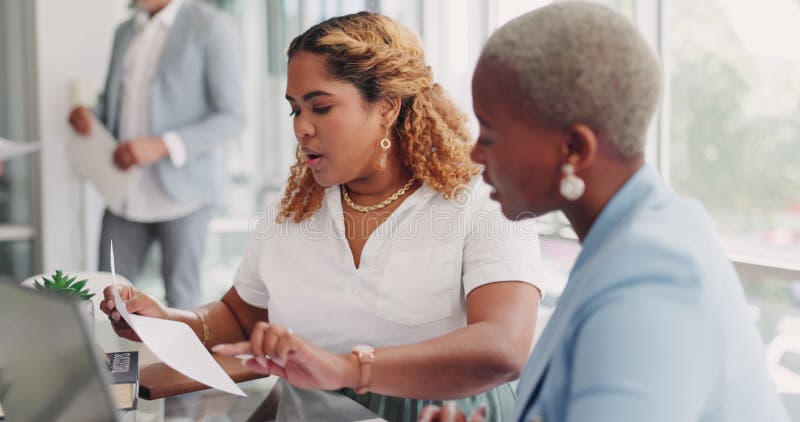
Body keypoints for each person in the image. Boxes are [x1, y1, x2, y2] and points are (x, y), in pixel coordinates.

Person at [101, 11, 544, 422]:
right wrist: (168, 321)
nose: (300, 126)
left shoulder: (483, 201)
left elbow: (503, 348)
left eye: (321, 107)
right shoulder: (291, 211)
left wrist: (345, 369)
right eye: (295, 108)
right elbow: (239, 317)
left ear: (387, 106)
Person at [420, 3, 789, 422]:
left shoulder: (654, 279)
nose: (475, 154)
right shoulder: (637, 237)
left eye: (489, 133)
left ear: (574, 150)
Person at [68, 0, 245, 309]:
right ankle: (113, 360)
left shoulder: (211, 26)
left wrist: (163, 145)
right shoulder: (124, 31)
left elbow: (232, 117)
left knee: (181, 302)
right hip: (123, 190)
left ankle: (177, 360)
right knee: (106, 295)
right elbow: (114, 105)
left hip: (184, 192)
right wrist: (89, 116)